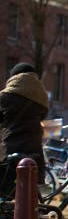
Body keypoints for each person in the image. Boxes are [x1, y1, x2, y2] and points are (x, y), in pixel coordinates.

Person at [0, 63, 49, 196]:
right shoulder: (42, 98)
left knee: (4, 194)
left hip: (9, 152)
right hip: (34, 153)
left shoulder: (5, 97)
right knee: (29, 198)